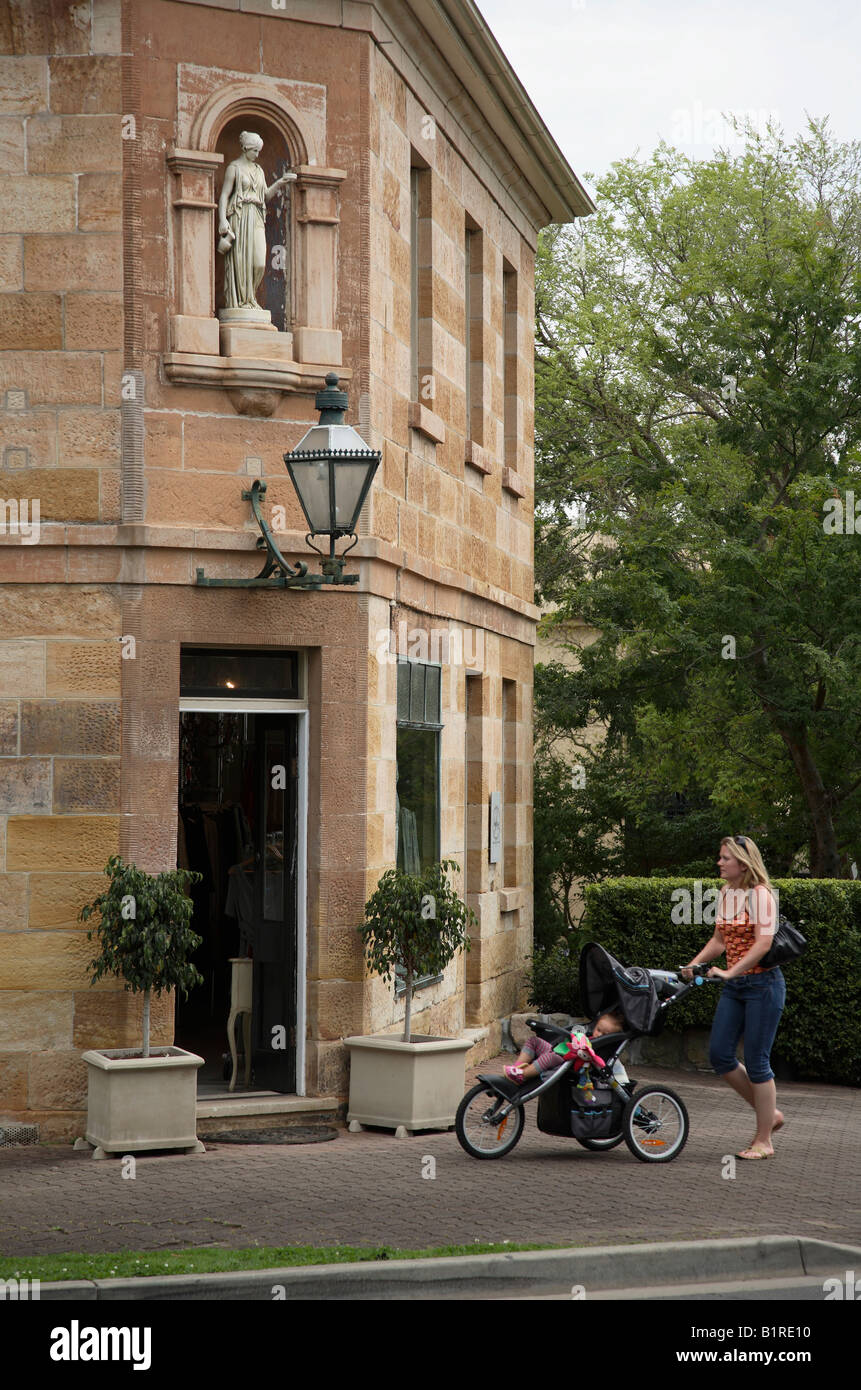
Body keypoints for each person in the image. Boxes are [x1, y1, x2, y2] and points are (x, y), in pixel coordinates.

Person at [680, 835, 786, 1160]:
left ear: (743, 862)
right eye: (720, 857)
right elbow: (719, 940)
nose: (720, 862)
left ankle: (764, 1140)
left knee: (757, 1062)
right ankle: (771, 1114)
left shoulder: (761, 896)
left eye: (725, 858)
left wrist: (729, 972)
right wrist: (695, 963)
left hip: (763, 986)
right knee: (720, 1055)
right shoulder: (726, 893)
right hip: (736, 987)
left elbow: (762, 945)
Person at [505, 1007, 628, 1084]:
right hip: (560, 1052)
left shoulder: (599, 1048)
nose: (598, 1034)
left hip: (568, 1063)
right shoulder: (589, 1036)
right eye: (598, 1029)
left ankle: (522, 1075)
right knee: (533, 1041)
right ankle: (518, 1068)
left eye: (604, 1034)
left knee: (550, 1057)